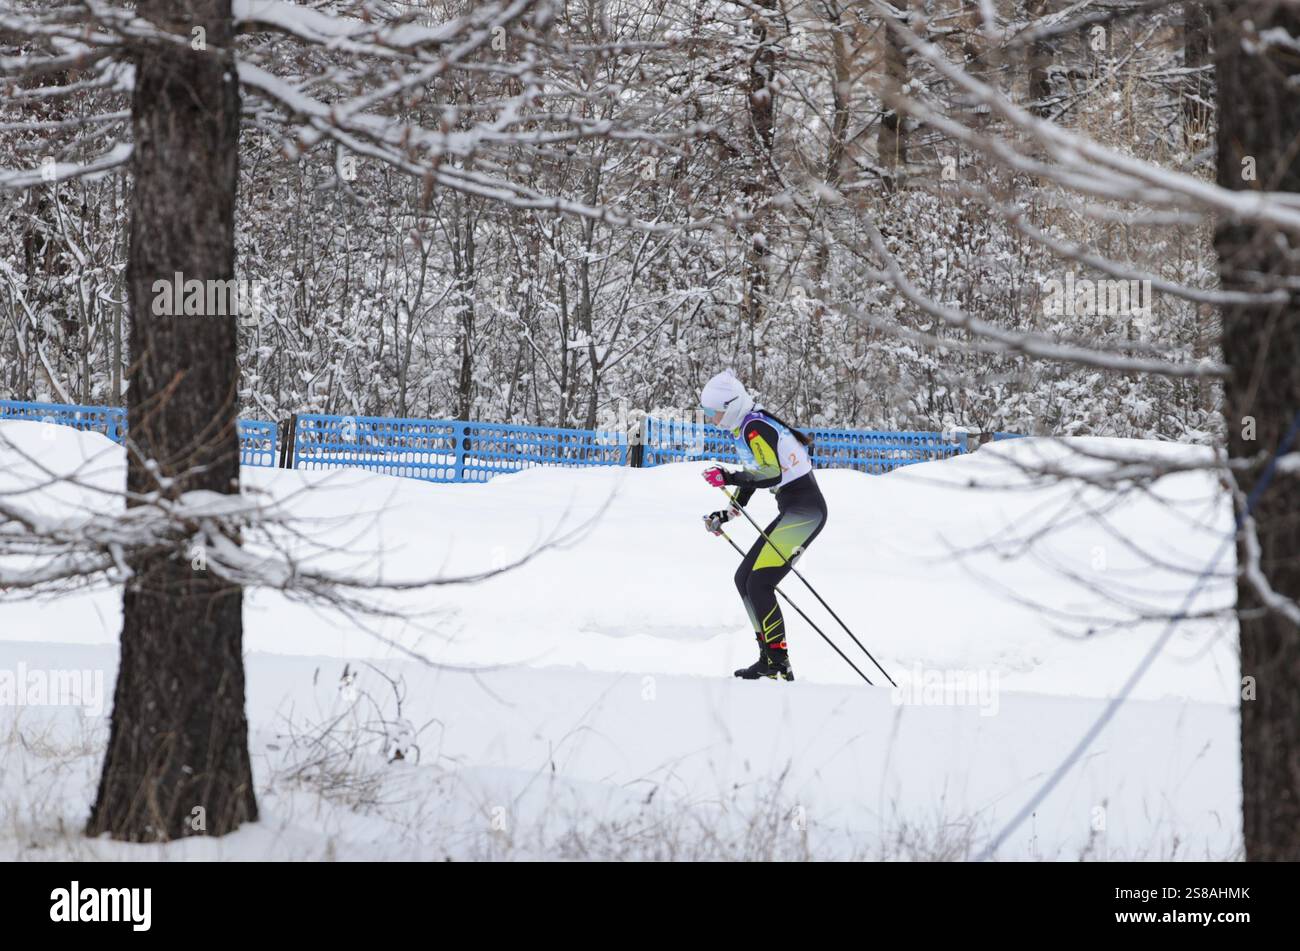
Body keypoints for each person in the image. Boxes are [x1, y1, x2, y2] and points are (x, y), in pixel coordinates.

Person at [697, 369, 827, 682]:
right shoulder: (747, 427)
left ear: (730, 406)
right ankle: (768, 658)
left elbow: (771, 475)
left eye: (714, 413)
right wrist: (727, 513)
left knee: (760, 582)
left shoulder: (754, 427)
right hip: (794, 508)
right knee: (744, 578)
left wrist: (728, 477)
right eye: (707, 413)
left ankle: (779, 663)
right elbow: (754, 474)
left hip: (806, 511)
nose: (712, 419)